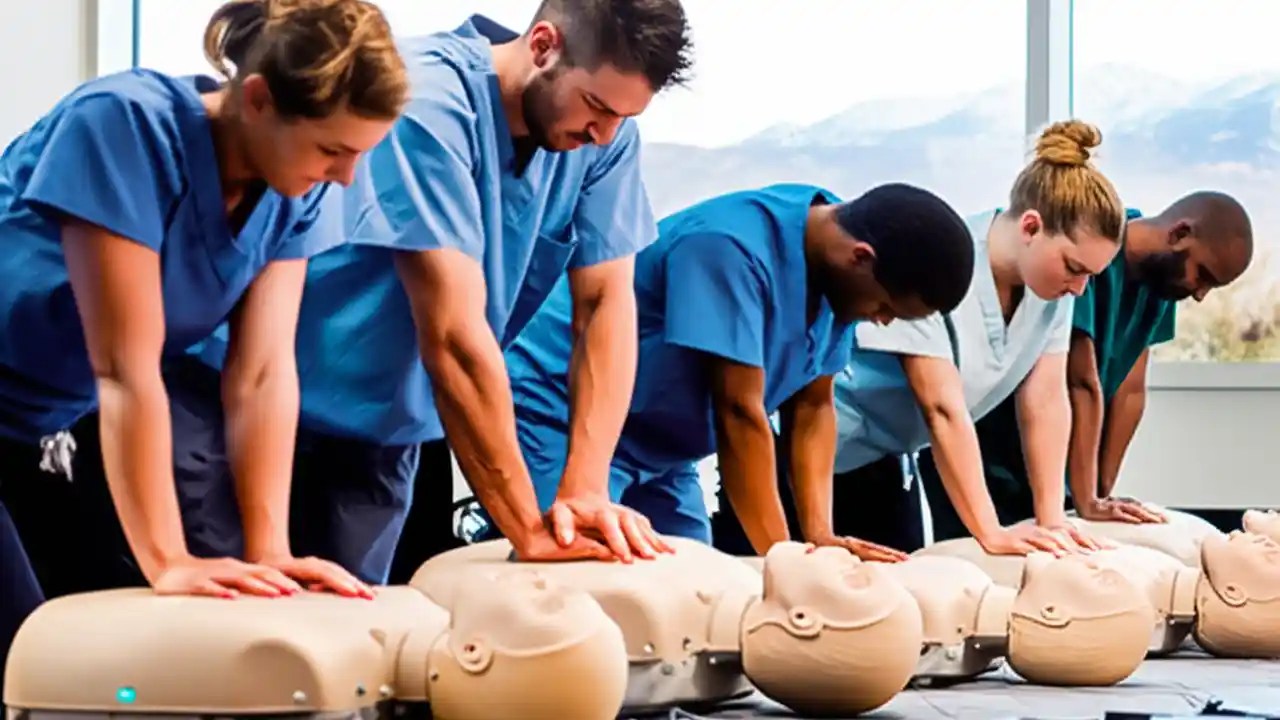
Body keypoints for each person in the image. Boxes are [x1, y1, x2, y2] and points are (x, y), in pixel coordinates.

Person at [179, 1, 695, 585]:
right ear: (544, 45)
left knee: (346, 647)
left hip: (383, 431)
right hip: (240, 398)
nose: (603, 134)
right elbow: (452, 335)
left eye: (624, 117)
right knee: (221, 634)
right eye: (597, 106)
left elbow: (604, 304)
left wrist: (584, 488)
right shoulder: (426, 98)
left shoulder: (604, 141)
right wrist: (527, 528)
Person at [0, 0, 409, 694]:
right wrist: (169, 559)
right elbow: (125, 369)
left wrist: (271, 550)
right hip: (48, 405)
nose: (346, 177)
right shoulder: (124, 124)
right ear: (256, 100)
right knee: (32, 659)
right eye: (333, 150)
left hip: (40, 427)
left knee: (110, 661)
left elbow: (261, 374)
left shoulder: (293, 187)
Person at [713, 121, 1125, 559]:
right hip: (798, 460)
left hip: (886, 463)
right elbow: (942, 408)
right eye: (1074, 267)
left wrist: (1052, 520)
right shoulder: (936, 258)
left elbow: (1045, 402)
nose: (1080, 288)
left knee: (902, 607)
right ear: (1030, 227)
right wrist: (992, 532)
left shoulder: (1054, 289)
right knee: (785, 596)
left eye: (1089, 276)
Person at [505, 181, 977, 558]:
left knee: (695, 590)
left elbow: (813, 406)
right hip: (560, 413)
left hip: (662, 450)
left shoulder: (837, 260)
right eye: (886, 307)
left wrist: (820, 539)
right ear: (860, 258)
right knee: (584, 574)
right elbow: (738, 411)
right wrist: (784, 559)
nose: (882, 321)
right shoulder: (729, 247)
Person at [935, 190, 1253, 536]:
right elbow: (1079, 382)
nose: (1200, 293)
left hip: (1061, 471)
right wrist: (1085, 499)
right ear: (1178, 234)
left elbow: (1130, 391)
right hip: (999, 452)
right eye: (1202, 275)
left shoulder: (1162, 285)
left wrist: (1101, 494)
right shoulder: (1091, 255)